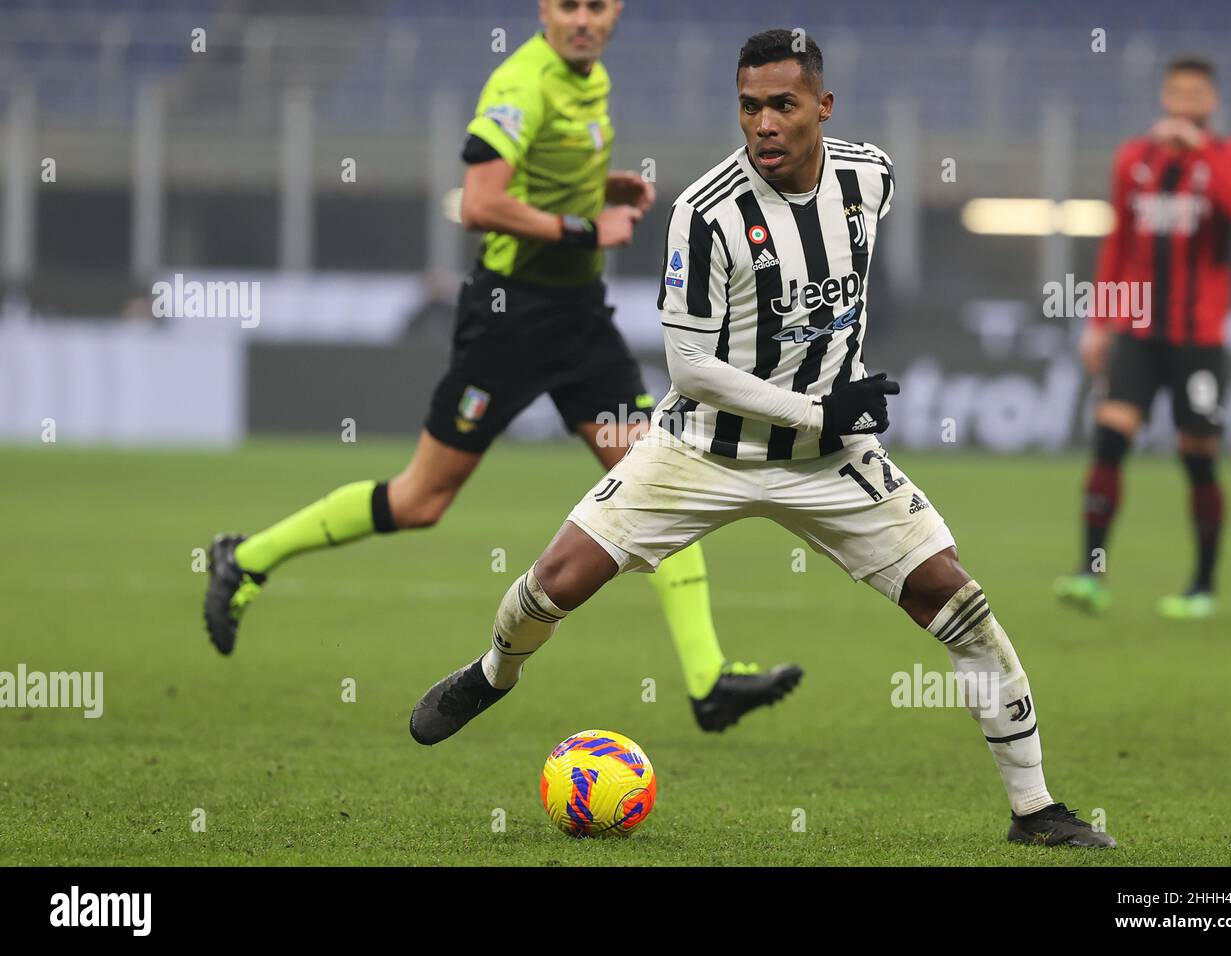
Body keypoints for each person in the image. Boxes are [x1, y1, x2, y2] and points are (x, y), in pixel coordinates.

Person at [408, 29, 1116, 848]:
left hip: (830, 461)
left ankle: (1035, 811)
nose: (764, 124)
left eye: (783, 105)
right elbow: (692, 368)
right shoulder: (705, 213)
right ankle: (493, 674)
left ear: (822, 106)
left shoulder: (871, 176)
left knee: (960, 605)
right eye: (749, 107)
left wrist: (832, 396)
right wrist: (820, 410)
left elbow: (844, 282)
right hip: (702, 447)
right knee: (554, 582)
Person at [202, 0, 802, 732]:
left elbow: (539, 176)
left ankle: (708, 680)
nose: (585, 20)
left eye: (599, 5)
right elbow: (481, 203)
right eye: (569, 5)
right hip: (509, 321)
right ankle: (247, 557)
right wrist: (588, 224)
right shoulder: (521, 84)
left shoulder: (591, 79)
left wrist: (597, 187)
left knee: (658, 480)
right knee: (421, 500)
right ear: (545, 10)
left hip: (580, 321)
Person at [1056, 57, 1231, 619]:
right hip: (1139, 332)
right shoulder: (1135, 160)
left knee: (1197, 454)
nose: (1183, 101)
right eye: (1175, 91)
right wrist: (1100, 321)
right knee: (1111, 438)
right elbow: (1118, 244)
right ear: (1164, 97)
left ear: (1211, 100)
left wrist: (1197, 150)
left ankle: (1201, 586)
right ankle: (1089, 574)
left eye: (1195, 92)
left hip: (1199, 337)